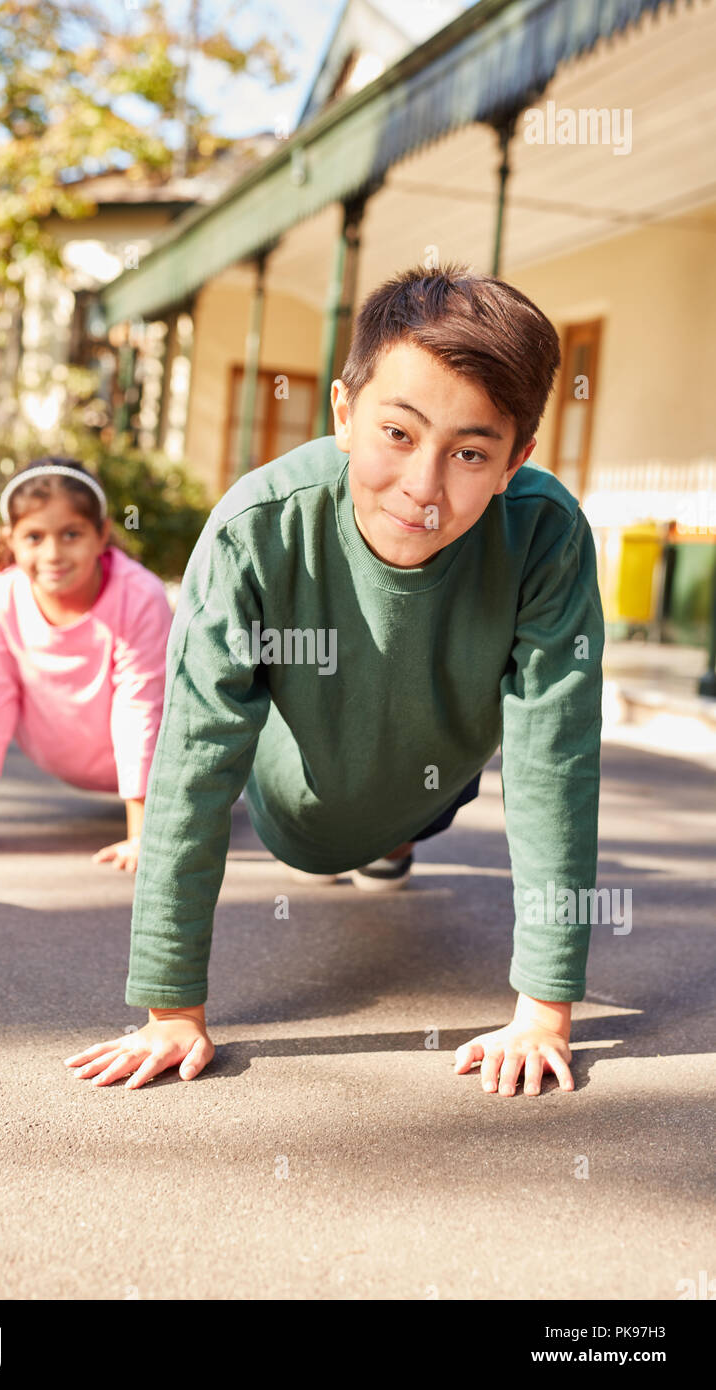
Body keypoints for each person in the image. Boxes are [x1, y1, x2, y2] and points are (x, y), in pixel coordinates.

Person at [64, 263, 604, 1097]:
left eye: (469, 452)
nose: (423, 489)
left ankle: (391, 838)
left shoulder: (546, 533)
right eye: (399, 434)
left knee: (416, 793)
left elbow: (553, 758)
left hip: (433, 782)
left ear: (515, 460)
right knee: (315, 829)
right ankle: (368, 836)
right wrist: (170, 1006)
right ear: (345, 414)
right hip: (295, 803)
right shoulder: (255, 527)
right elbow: (196, 757)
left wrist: (544, 1009)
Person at [0, 457, 173, 873]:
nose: (53, 554)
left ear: (102, 534)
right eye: (34, 536)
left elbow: (140, 709)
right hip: (64, 758)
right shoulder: (0, 596)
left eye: (71, 534)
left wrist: (141, 835)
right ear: (9, 540)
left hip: (166, 766)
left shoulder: (139, 594)